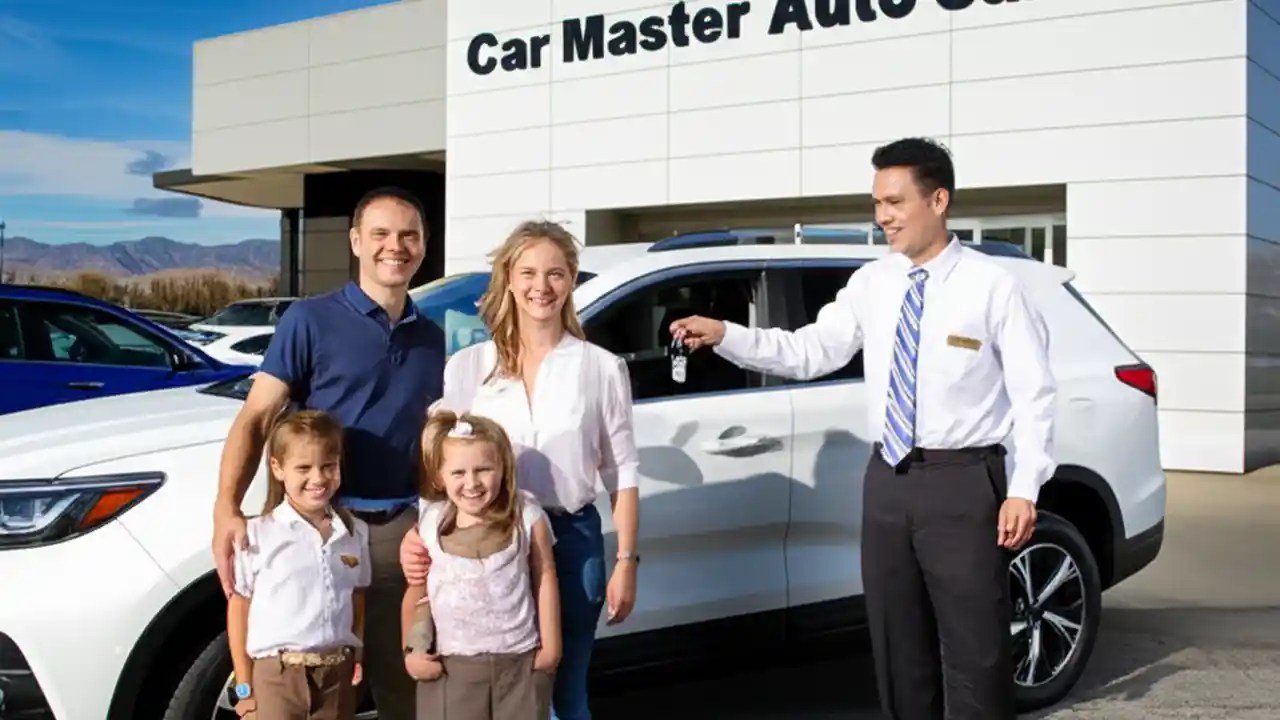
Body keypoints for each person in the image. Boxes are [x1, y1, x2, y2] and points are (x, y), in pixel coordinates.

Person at [669, 137, 1057, 720]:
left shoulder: (993, 286)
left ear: (939, 199)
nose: (882, 217)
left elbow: (1035, 394)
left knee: (975, 656)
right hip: (887, 483)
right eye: (877, 203)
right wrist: (729, 335)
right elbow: (807, 351)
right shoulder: (872, 283)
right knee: (898, 649)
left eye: (895, 202)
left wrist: (1025, 487)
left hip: (963, 482)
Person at [213, 186, 446, 720]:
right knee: (301, 687)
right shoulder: (310, 320)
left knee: (403, 687)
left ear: (424, 245)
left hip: (399, 535)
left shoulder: (432, 338)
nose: (396, 246)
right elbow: (256, 416)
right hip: (319, 528)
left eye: (409, 235)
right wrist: (226, 505)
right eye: (381, 234)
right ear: (356, 241)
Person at [400, 219, 640, 720]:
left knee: (565, 691)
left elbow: (623, 472)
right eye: (528, 272)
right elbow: (443, 459)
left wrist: (626, 563)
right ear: (508, 278)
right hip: (482, 546)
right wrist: (421, 535)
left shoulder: (601, 368)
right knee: (489, 698)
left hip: (570, 542)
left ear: (572, 279)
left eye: (555, 273)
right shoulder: (470, 366)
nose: (541, 286)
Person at [401, 410, 560, 720]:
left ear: (502, 468)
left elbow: (545, 576)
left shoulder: (526, 514)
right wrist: (412, 651)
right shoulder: (431, 523)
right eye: (458, 473)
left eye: (483, 469)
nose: (471, 482)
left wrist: (551, 647)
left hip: (519, 662)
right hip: (452, 667)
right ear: (439, 476)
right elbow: (416, 592)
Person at [227, 410, 369, 720]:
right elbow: (240, 607)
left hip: (335, 673)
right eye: (303, 467)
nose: (318, 478)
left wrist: (356, 654)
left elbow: (357, 595)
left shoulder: (355, 532)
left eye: (328, 466)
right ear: (278, 468)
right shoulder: (257, 533)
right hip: (277, 676)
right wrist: (244, 686)